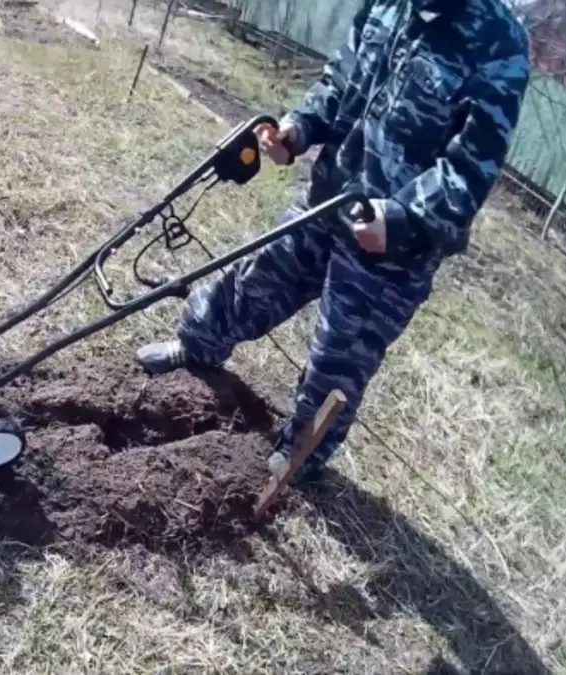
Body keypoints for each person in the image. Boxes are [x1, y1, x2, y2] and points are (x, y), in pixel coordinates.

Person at [136, 0, 531, 483]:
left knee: (337, 360)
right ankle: (195, 345)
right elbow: (341, 83)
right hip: (328, 197)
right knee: (258, 276)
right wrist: (298, 128)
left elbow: (471, 170)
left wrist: (404, 217)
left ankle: (297, 456)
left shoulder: (499, 42)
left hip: (392, 248)